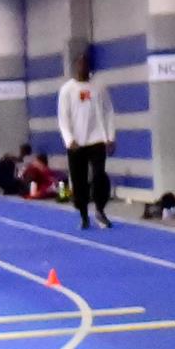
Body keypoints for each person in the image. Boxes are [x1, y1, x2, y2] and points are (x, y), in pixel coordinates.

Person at [57, 56, 115, 228]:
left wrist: (110, 137)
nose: (84, 67)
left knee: (99, 175)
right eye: (81, 63)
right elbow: (63, 118)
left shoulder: (99, 87)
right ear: (76, 66)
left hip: (97, 139)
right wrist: (69, 139)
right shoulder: (67, 90)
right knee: (79, 179)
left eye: (87, 64)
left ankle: (100, 210)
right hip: (76, 143)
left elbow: (108, 112)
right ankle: (83, 214)